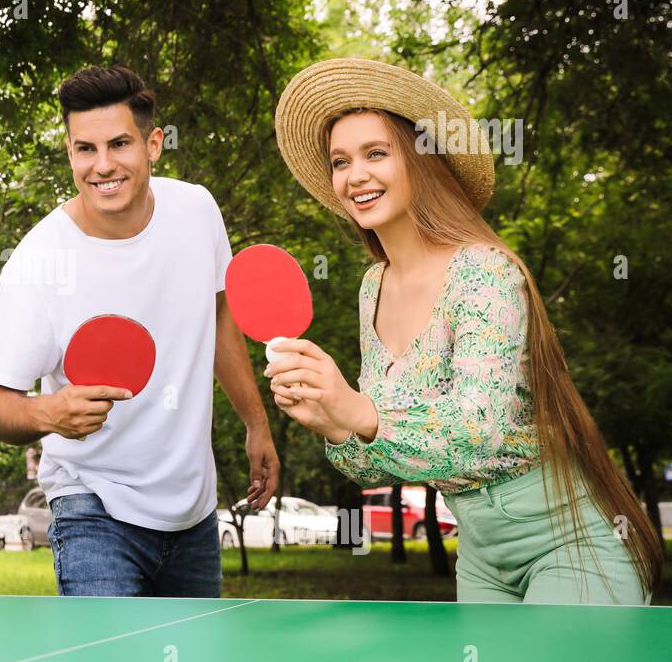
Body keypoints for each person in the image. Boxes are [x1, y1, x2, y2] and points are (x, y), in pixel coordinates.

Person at [265, 57, 660, 604]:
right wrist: (332, 423)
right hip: (478, 554)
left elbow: (479, 432)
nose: (354, 175)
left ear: (422, 162)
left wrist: (356, 410)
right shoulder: (371, 286)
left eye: (375, 153)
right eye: (340, 161)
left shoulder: (484, 271)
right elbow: (384, 457)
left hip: (568, 546)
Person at [0, 65, 279, 597]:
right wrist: (49, 412)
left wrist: (256, 422)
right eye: (85, 149)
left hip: (193, 509)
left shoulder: (197, 210)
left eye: (119, 143)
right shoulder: (37, 261)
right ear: (69, 152)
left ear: (154, 144)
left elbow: (217, 320)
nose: (103, 165)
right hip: (90, 504)